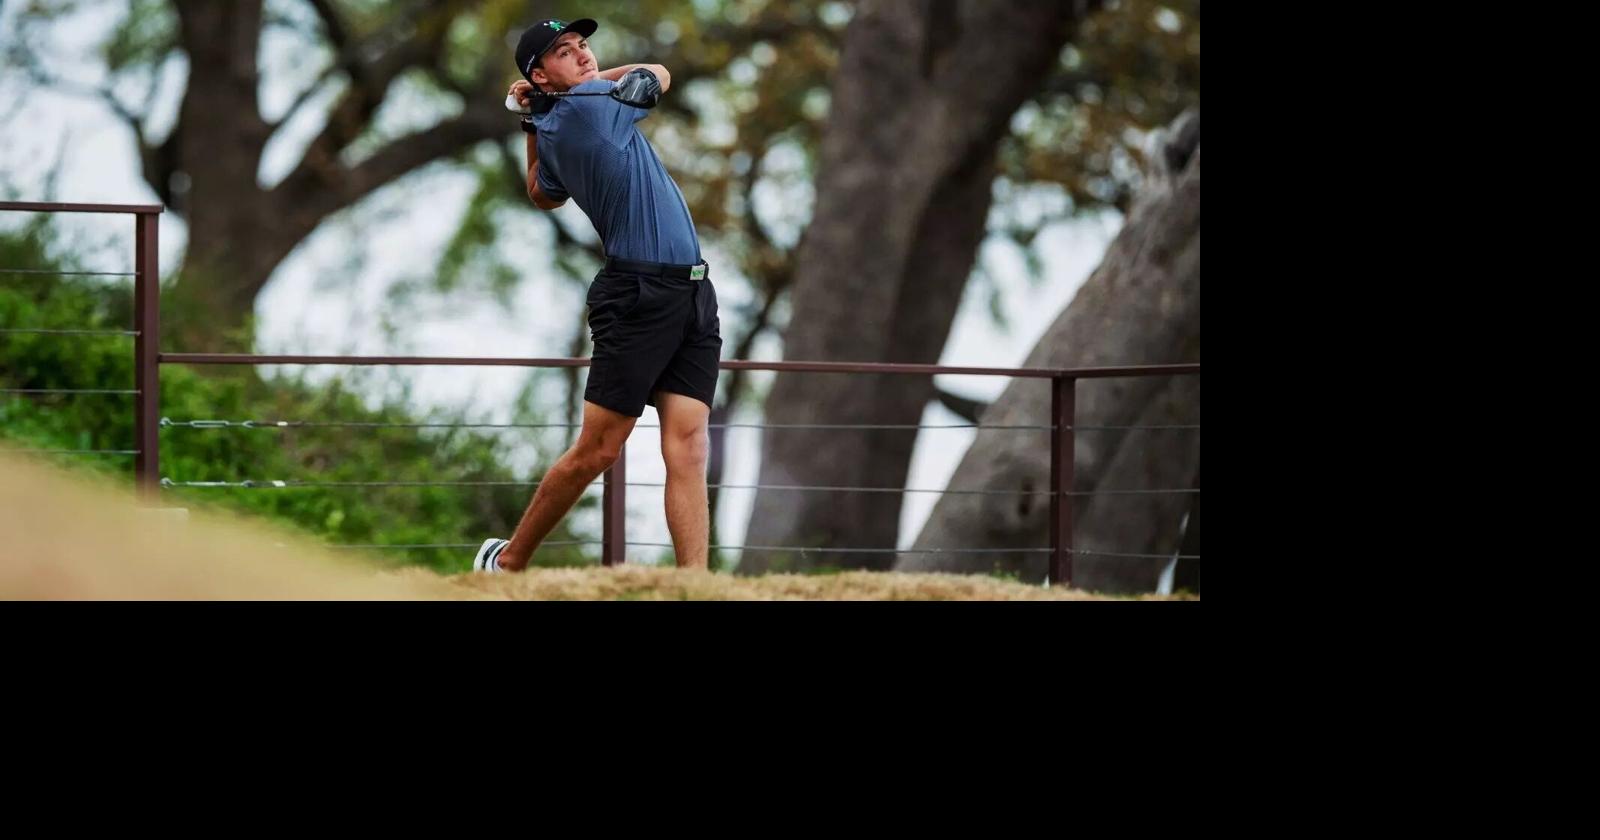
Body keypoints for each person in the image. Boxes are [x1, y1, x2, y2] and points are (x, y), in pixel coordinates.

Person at [472, 17, 721, 573]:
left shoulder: (559, 120)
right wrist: (555, 96)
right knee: (599, 450)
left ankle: (696, 586)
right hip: (639, 294)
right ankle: (508, 564)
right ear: (539, 72)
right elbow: (656, 72)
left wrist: (533, 116)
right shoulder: (589, 106)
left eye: (584, 46)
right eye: (565, 52)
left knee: (689, 444)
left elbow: (541, 193)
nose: (584, 56)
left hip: (690, 293)